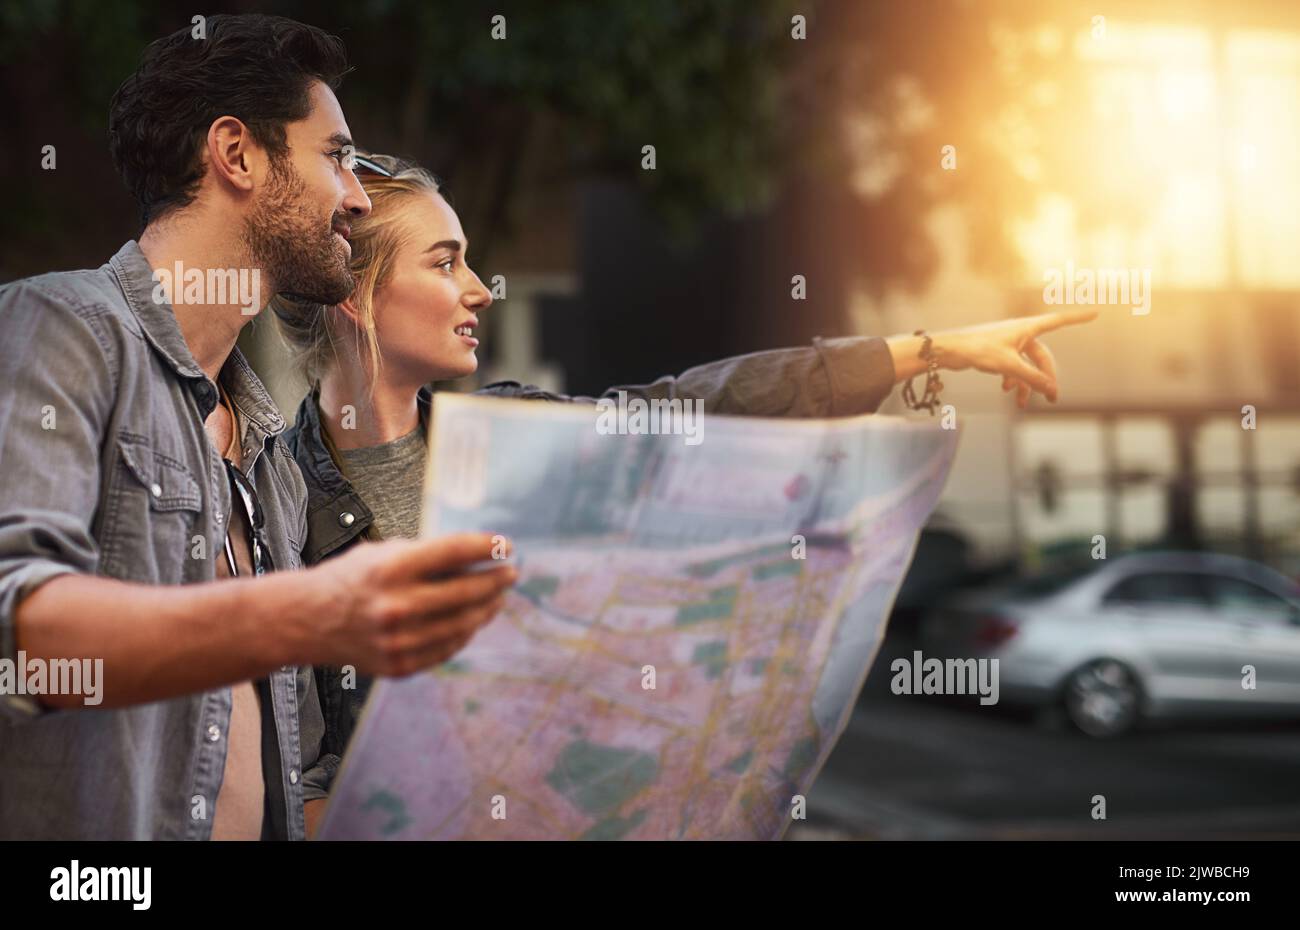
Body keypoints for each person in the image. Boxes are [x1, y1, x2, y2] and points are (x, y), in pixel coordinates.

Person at [273, 152, 1097, 833]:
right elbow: (293, 777)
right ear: (354, 294)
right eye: (446, 263)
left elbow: (697, 406)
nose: (482, 289)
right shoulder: (271, 500)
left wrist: (929, 347)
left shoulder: (518, 439)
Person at [0, 16, 515, 840]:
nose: (355, 195)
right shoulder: (61, 328)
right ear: (236, 154)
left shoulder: (270, 454)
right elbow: (17, 642)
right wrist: (312, 609)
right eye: (336, 156)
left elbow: (296, 774)